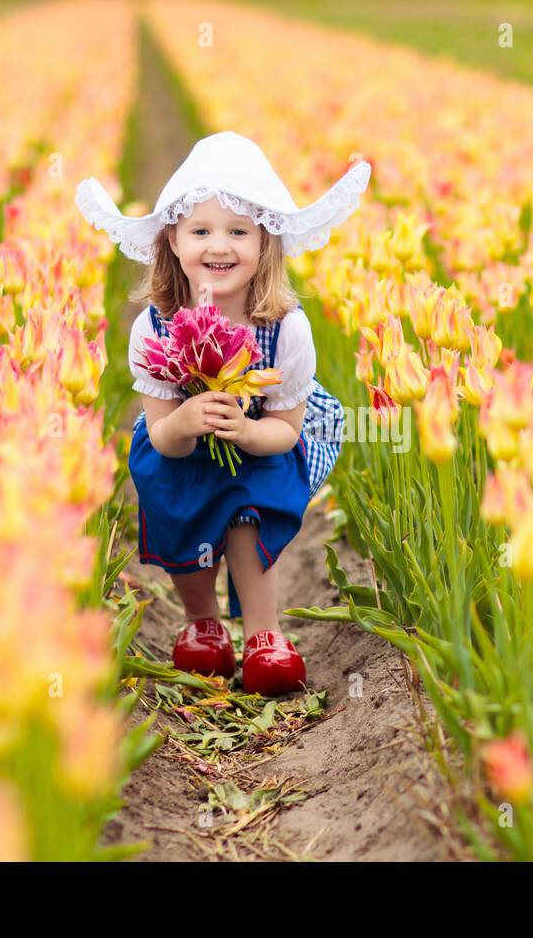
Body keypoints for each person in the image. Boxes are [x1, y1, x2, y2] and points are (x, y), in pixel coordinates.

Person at [75, 131, 369, 695]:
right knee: (184, 515)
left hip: (258, 442)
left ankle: (264, 634)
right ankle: (203, 623)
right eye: (202, 230)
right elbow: (162, 433)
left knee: (244, 513)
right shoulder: (152, 327)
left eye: (239, 231)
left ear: (265, 243)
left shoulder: (285, 328)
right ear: (173, 242)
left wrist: (247, 431)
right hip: (178, 450)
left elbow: (286, 430)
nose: (221, 245)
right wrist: (185, 425)